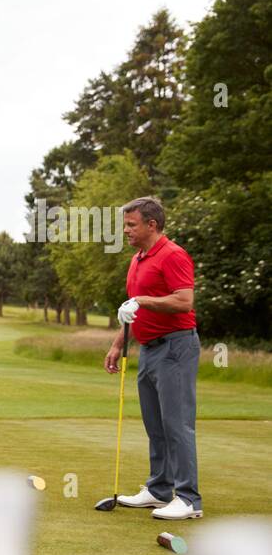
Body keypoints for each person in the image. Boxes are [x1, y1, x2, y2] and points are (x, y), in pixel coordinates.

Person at [103, 196, 202, 521]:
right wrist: (119, 343)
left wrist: (142, 300)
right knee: (155, 425)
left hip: (175, 347)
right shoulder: (138, 259)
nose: (126, 230)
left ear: (152, 224)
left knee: (177, 424)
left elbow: (184, 301)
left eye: (131, 225)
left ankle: (188, 499)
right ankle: (159, 490)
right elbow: (134, 311)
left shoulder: (173, 255)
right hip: (147, 348)